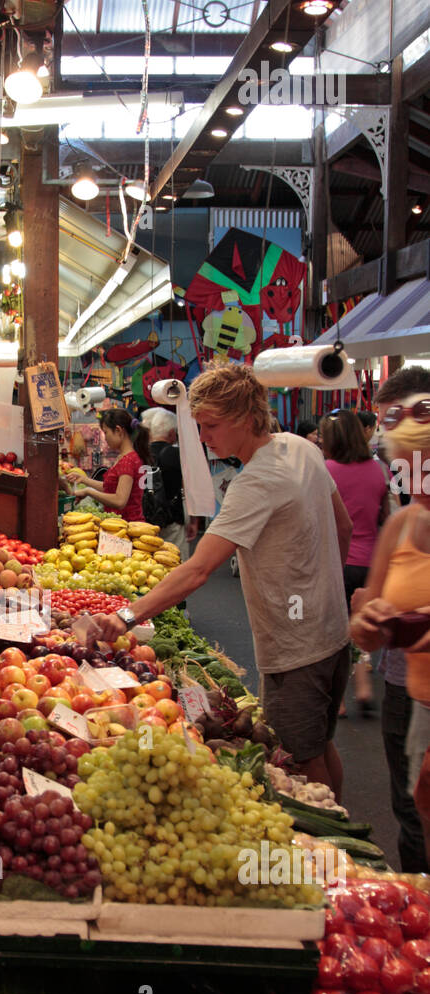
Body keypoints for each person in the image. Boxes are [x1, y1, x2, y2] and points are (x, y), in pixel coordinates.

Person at [88, 361, 353, 795]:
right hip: (332, 631)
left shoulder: (256, 482)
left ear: (248, 419)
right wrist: (325, 589)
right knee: (321, 745)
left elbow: (197, 570)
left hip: (294, 647)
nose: (205, 438)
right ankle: (344, 823)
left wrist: (127, 616)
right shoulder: (300, 448)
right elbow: (344, 528)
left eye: (211, 426)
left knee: (301, 759)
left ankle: (329, 853)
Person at [350, 367, 430, 870]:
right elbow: (363, 631)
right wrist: (372, 619)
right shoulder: (403, 523)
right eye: (407, 470)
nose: (415, 484)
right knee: (416, 811)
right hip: (419, 703)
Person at [320, 408, 390, 715]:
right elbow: (385, 517)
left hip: (337, 559)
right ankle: (362, 684)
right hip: (371, 561)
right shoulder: (378, 470)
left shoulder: (326, 470)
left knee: (334, 631)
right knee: (360, 624)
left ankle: (340, 700)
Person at [73, 408, 169, 525]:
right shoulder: (125, 457)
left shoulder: (128, 461)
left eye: (106, 432)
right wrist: (84, 480)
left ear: (118, 430)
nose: (106, 438)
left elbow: (120, 500)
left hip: (127, 527)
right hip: (120, 525)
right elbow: (110, 487)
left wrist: (89, 492)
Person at [142, 407, 199, 560]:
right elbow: (187, 488)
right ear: (171, 432)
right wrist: (193, 520)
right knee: (175, 560)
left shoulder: (141, 453)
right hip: (173, 519)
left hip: (146, 519)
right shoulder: (176, 454)